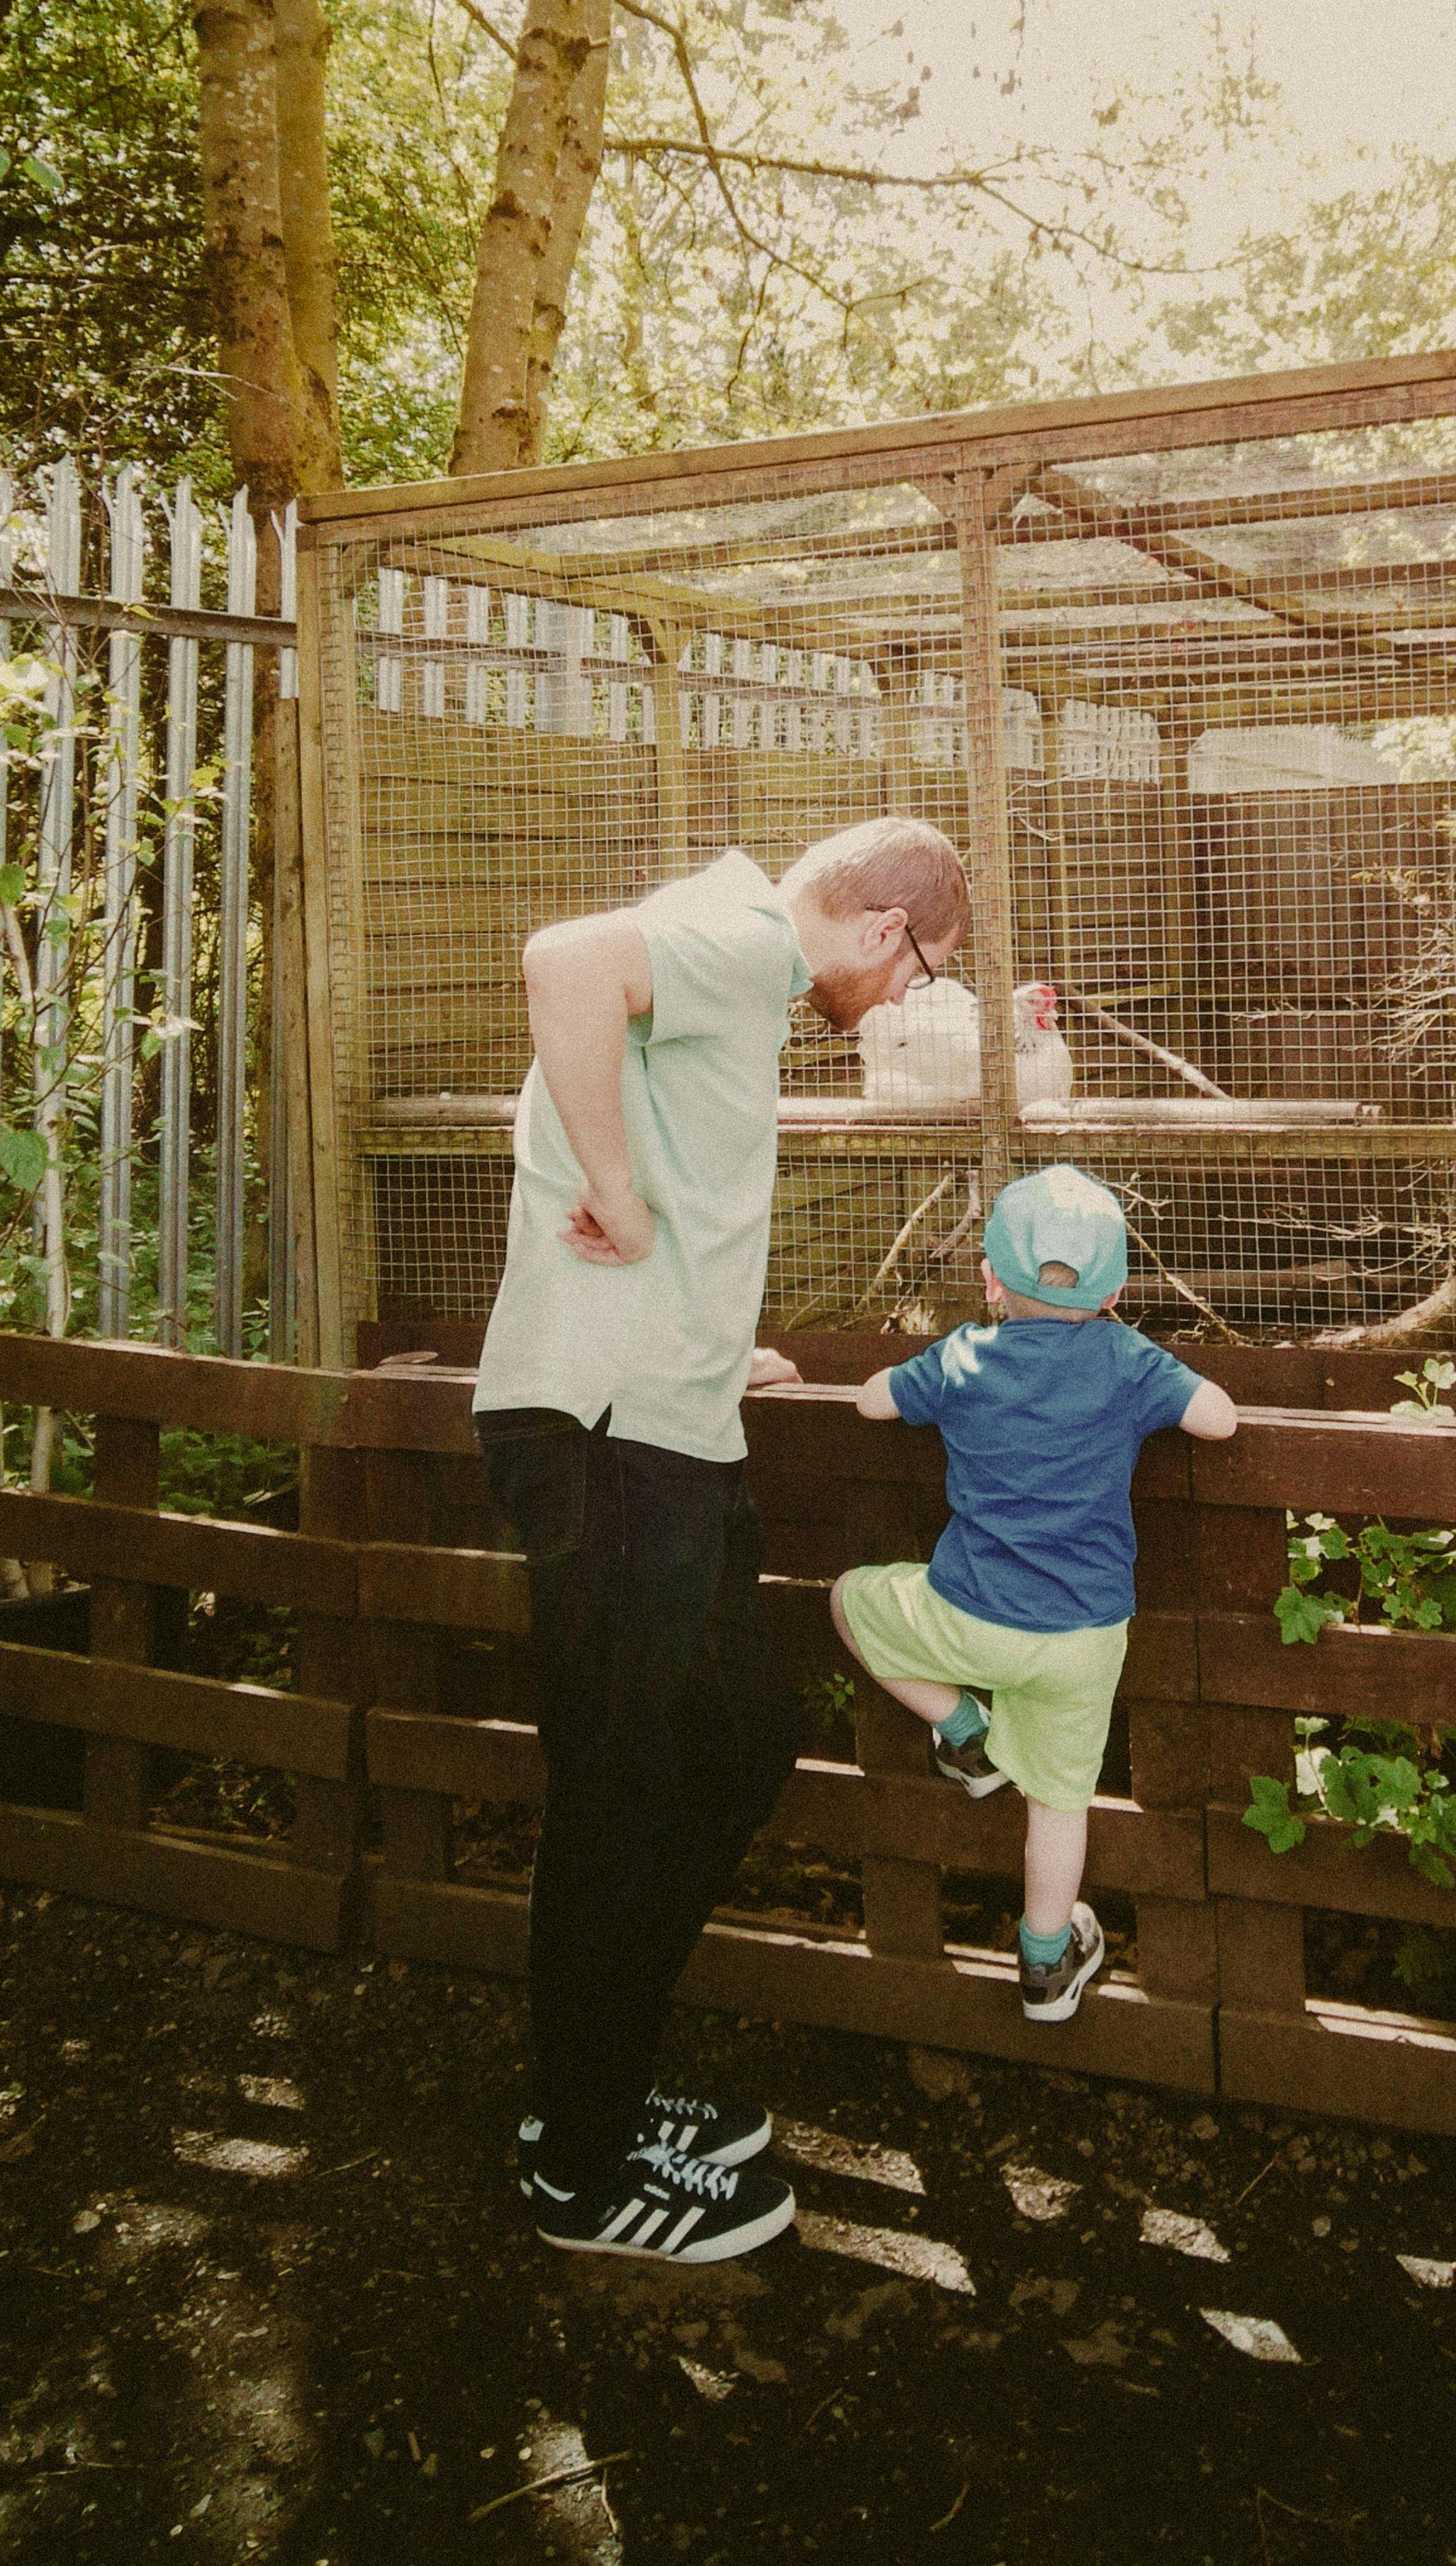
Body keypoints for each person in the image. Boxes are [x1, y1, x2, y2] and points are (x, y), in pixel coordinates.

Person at [474, 817, 970, 2263]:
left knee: (739, 1746)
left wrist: (700, 1324)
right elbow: (565, 964)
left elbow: (632, 1082)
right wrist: (619, 1198)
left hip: (664, 1414)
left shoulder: (731, 949)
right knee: (623, 1791)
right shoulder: (751, 942)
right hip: (611, 1437)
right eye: (924, 969)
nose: (905, 998)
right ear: (882, 926)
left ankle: (604, 2079)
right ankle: (580, 2166)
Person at [833, 1165, 1238, 2021]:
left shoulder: (962, 1357)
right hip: (1081, 1639)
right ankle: (1047, 1965)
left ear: (990, 1280)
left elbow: (871, 1402)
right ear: (1115, 1293)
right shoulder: (1127, 1361)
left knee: (851, 1600)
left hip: (966, 1618)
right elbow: (1220, 1419)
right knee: (1059, 1802)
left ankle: (965, 1732)